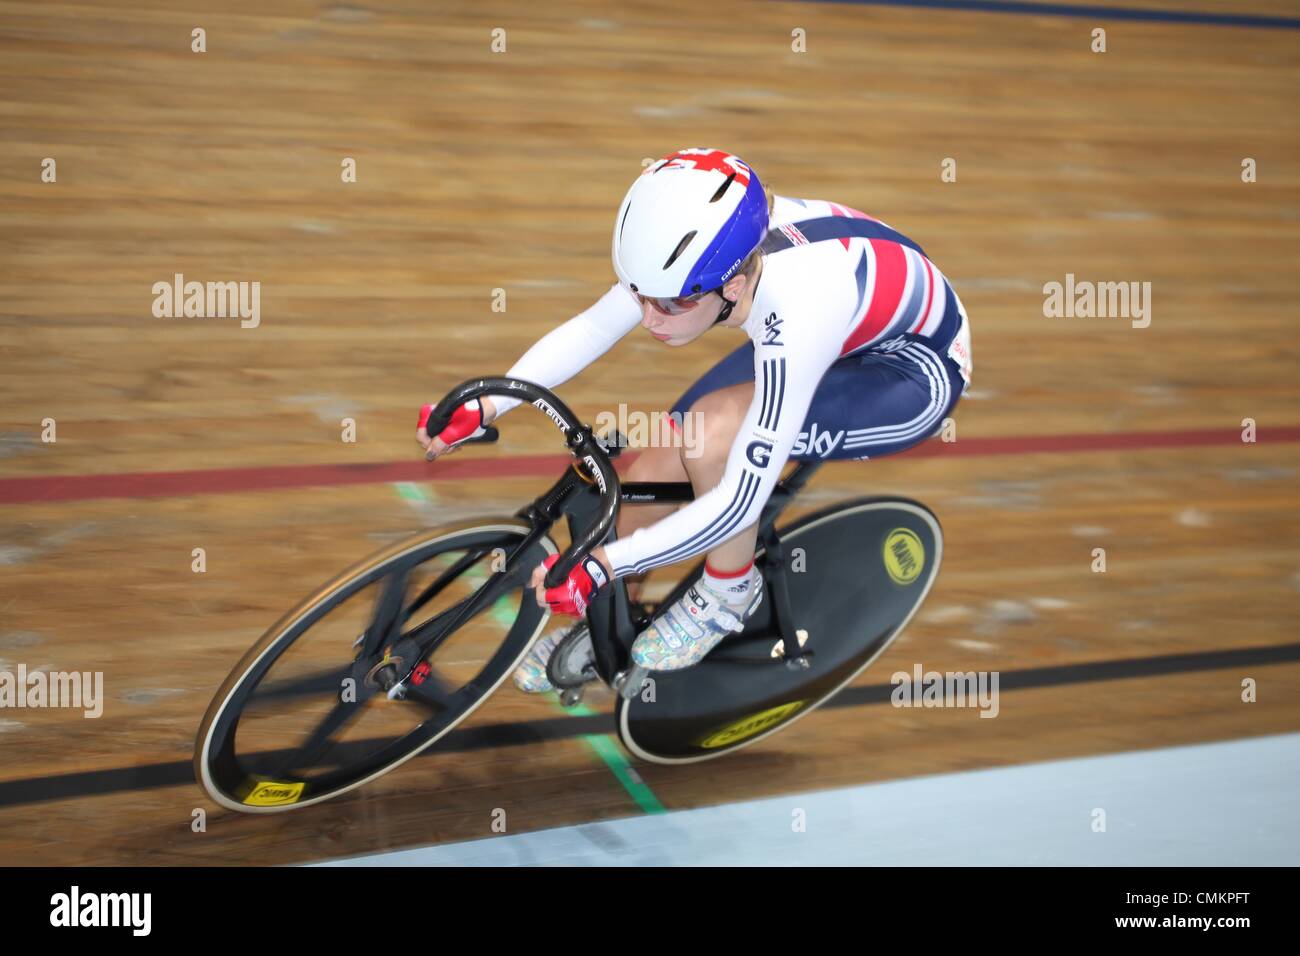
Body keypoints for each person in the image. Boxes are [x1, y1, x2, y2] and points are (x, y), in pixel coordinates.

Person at [417, 147, 972, 693]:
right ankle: (611, 617)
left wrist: (603, 564)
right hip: (842, 322)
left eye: (673, 305)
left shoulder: (798, 311)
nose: (651, 319)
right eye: (640, 294)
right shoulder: (702, 256)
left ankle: (730, 588)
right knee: (653, 469)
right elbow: (592, 328)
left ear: (732, 285)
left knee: (710, 437)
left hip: (907, 372)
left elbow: (738, 500)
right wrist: (489, 404)